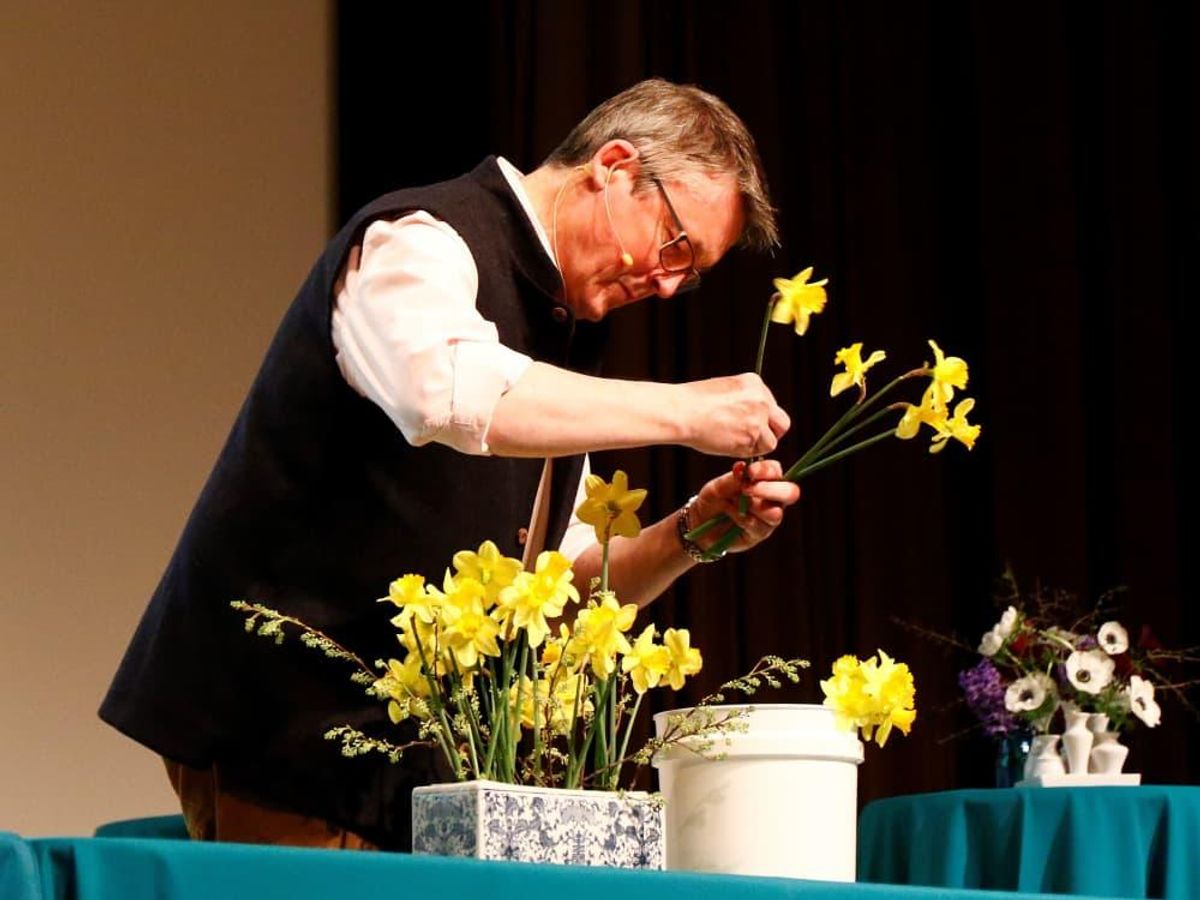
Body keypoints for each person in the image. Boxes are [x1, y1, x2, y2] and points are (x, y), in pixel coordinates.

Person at [100, 78, 801, 850]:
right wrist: (686, 413)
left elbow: (558, 586)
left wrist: (690, 532)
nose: (667, 285)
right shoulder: (421, 239)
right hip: (285, 725)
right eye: (675, 245)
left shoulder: (563, 333)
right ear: (612, 167)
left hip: (412, 760)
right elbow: (441, 392)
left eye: (690, 272)